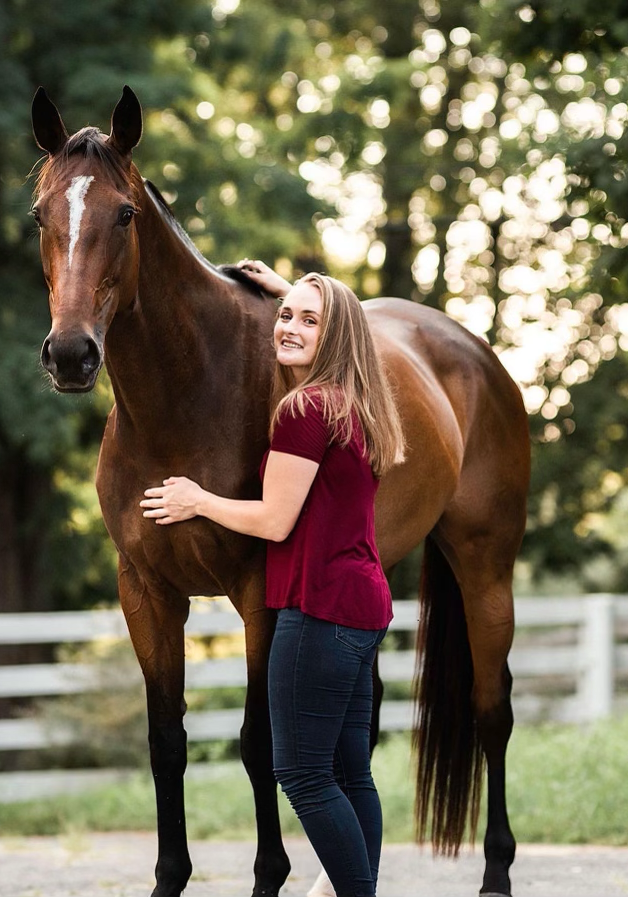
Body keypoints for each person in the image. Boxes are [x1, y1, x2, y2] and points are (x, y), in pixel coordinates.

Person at [140, 261, 405, 897]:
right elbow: (352, 336)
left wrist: (198, 500)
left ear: (333, 337)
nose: (287, 326)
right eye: (286, 316)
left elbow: (274, 519)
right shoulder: (359, 403)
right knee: (349, 772)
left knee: (303, 774)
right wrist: (302, 296)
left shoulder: (303, 409)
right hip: (363, 608)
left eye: (308, 321)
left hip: (317, 609)